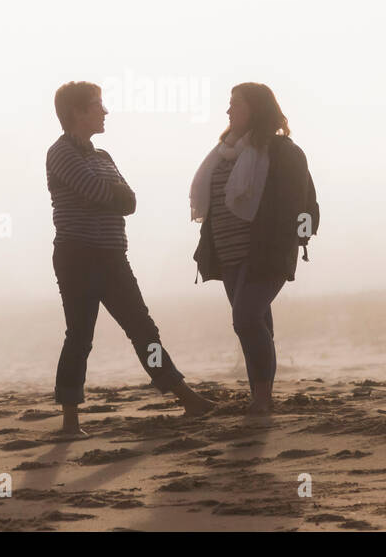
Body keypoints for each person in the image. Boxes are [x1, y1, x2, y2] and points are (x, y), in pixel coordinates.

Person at [47, 81, 216, 436]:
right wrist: (112, 196)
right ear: (77, 112)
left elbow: (130, 202)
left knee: (142, 328)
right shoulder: (61, 153)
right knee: (80, 335)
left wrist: (112, 196)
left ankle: (184, 396)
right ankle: (70, 418)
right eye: (97, 105)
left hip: (112, 256)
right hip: (77, 256)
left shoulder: (103, 157)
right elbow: (101, 193)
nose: (105, 112)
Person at [190, 83, 318, 416]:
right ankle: (261, 396)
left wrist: (294, 243)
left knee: (246, 319)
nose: (229, 111)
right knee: (255, 321)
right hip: (229, 254)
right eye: (229, 104)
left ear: (256, 109)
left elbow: (304, 206)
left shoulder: (284, 152)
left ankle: (262, 401)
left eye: (236, 104)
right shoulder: (224, 153)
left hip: (266, 253)